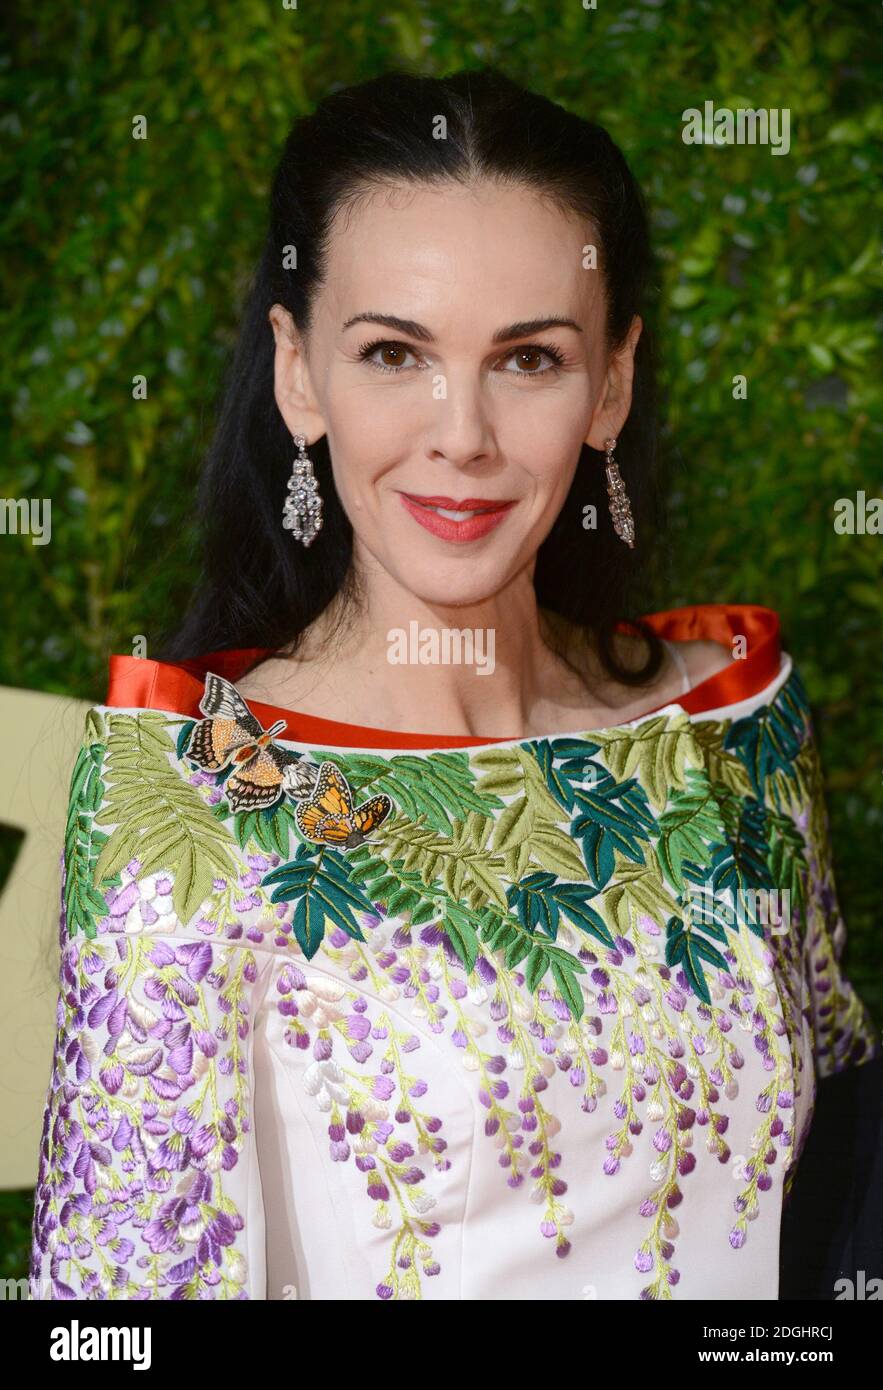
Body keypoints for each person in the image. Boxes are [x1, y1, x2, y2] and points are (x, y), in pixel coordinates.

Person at [28, 68, 878, 1302]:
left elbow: (839, 1172)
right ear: (298, 371)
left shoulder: (737, 723)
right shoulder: (191, 803)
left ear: (613, 383)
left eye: (528, 358)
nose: (463, 434)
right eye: (394, 352)